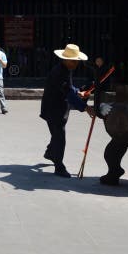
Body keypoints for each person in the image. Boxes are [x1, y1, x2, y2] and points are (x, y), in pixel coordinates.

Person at [40, 43, 94, 178]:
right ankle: (59, 166)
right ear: (65, 59)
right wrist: (85, 107)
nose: (76, 63)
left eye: (77, 61)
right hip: (53, 109)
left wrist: (78, 92)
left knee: (57, 134)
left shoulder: (66, 69)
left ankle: (50, 153)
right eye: (74, 61)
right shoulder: (59, 72)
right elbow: (68, 93)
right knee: (60, 137)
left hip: (58, 108)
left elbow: (69, 88)